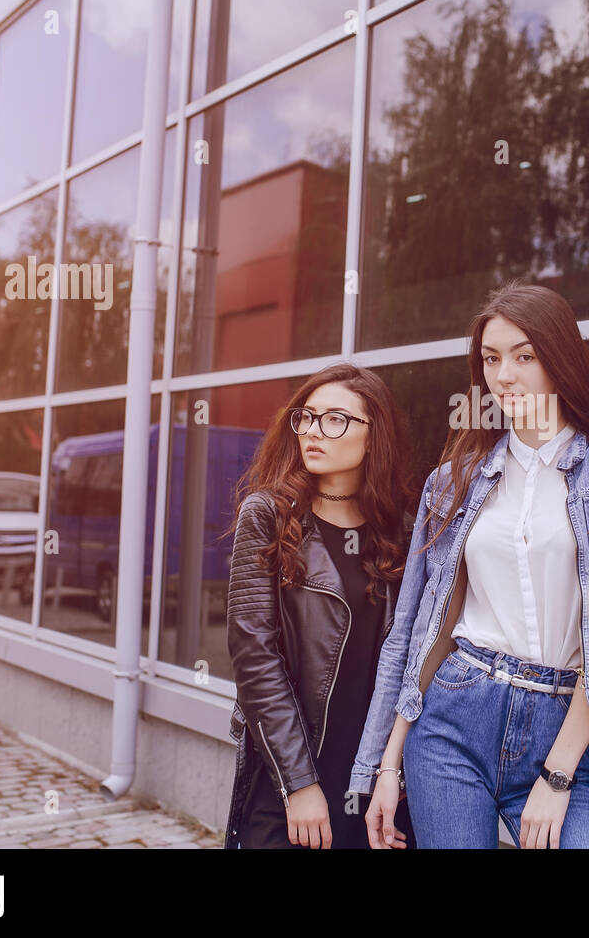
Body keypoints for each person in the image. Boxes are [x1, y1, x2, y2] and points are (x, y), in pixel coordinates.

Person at [348, 280, 589, 848]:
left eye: (525, 356)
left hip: (561, 728)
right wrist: (384, 766)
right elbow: (417, 633)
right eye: (492, 359)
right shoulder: (453, 481)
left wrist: (557, 775)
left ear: (560, 360)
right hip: (452, 721)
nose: (504, 375)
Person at [223, 363, 415, 848]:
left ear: (374, 437)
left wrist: (390, 772)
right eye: (307, 417)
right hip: (291, 768)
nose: (313, 431)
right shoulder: (267, 516)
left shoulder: (403, 533)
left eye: (335, 420)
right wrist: (300, 785)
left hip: (373, 777)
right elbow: (255, 658)